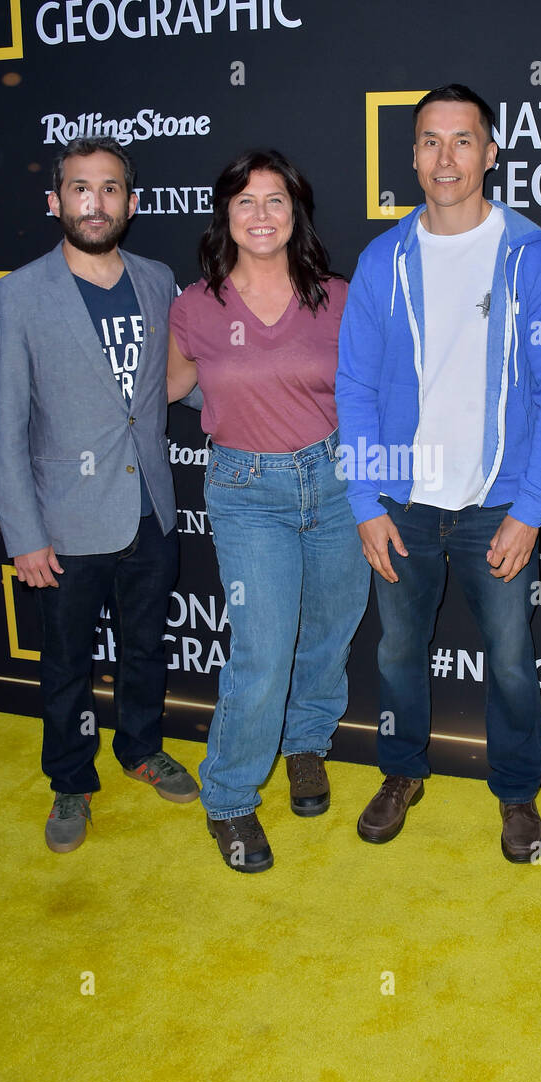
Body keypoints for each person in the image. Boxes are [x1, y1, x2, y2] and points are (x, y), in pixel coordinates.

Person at [335, 84, 541, 858]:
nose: (447, 158)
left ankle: (516, 794)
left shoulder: (529, 256)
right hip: (402, 502)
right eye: (431, 142)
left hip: (496, 507)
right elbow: (357, 387)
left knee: (510, 656)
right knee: (398, 651)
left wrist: (531, 505)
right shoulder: (384, 260)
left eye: (463, 140)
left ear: (490, 153)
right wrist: (365, 498)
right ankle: (402, 771)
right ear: (412, 157)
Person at [0, 136, 200, 854]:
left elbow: (176, 382)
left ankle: (139, 747)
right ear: (56, 202)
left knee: (145, 648)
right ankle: (70, 781)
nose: (95, 202)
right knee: (67, 665)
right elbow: (2, 428)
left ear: (130, 204)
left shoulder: (159, 279)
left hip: (151, 511)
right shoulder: (15, 296)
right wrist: (24, 535)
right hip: (65, 522)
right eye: (81, 188)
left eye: (110, 189)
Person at [168, 149, 370, 874]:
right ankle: (228, 799)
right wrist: (235, 403)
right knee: (261, 650)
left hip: (339, 481)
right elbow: (173, 388)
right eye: (246, 201)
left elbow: (367, 392)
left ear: (296, 212)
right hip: (248, 492)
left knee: (330, 628)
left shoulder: (338, 296)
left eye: (275, 200)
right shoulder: (195, 305)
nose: (261, 214)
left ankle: (306, 745)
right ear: (227, 213)